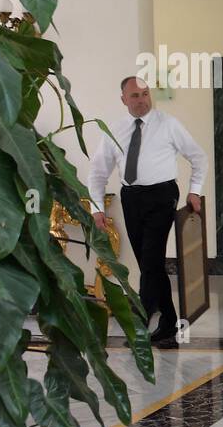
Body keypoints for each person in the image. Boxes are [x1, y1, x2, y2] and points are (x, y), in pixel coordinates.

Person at [89, 77, 207, 346]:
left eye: (145, 94)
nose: (141, 100)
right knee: (148, 264)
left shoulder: (169, 124)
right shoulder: (115, 129)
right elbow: (98, 171)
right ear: (123, 100)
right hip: (131, 197)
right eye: (135, 96)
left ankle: (140, 324)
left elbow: (198, 157)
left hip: (162, 195)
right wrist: (96, 207)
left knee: (151, 260)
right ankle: (168, 320)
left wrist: (194, 190)